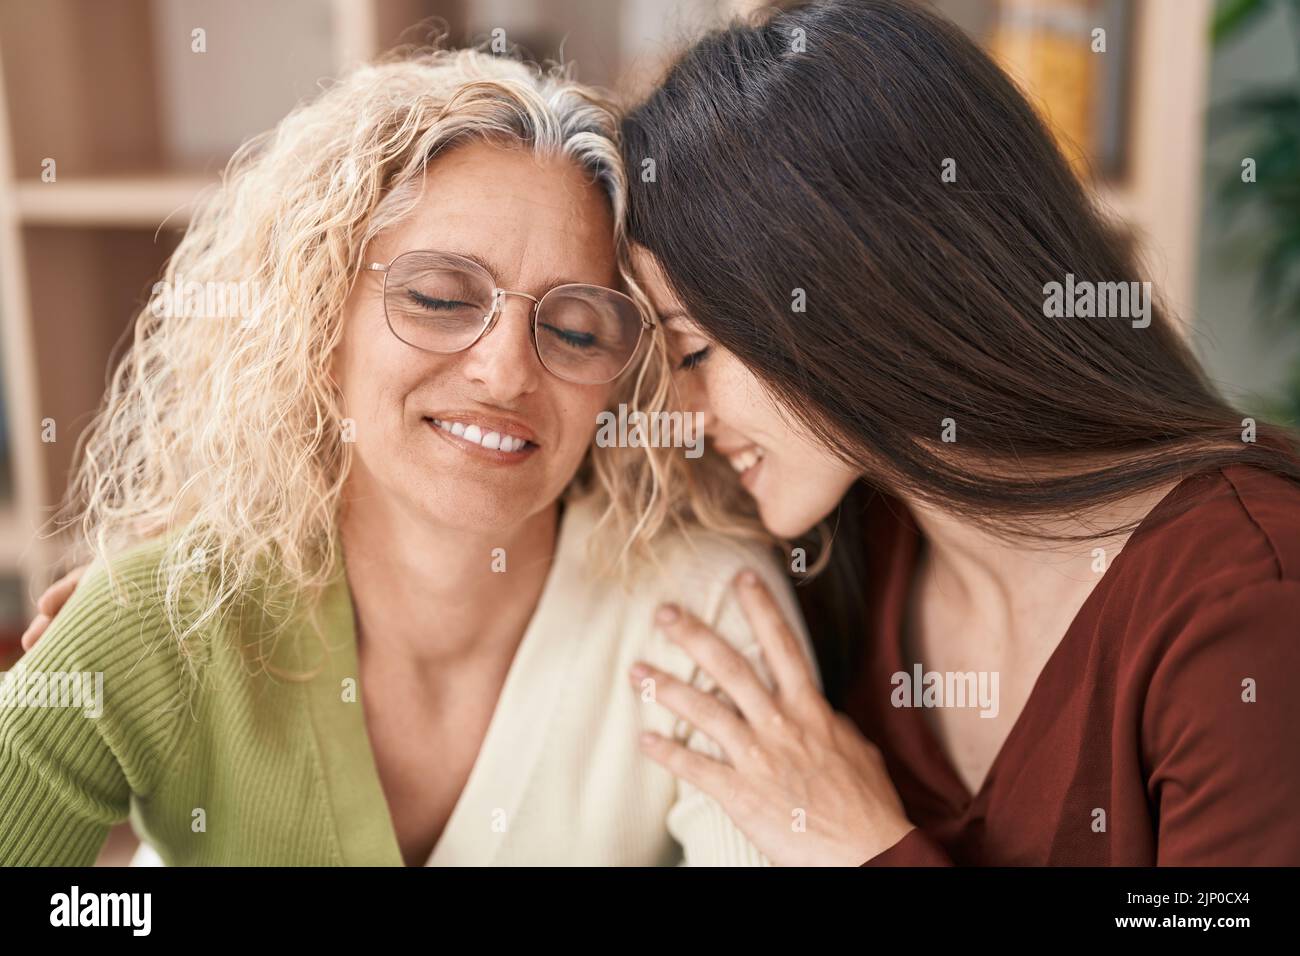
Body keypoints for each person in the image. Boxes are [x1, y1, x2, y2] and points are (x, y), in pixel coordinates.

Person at [0, 48, 809, 866]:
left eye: (573, 330)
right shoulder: (158, 621)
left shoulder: (703, 618)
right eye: (441, 298)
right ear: (316, 317)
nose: (505, 372)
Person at [618, 0, 1300, 865]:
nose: (679, 415)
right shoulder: (850, 550)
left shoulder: (1245, 601)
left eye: (693, 351)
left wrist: (867, 845)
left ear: (853, 292)